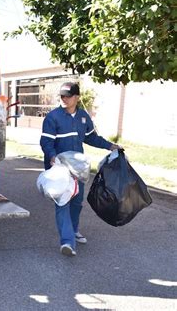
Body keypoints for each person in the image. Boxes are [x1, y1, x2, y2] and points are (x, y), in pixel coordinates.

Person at [40, 82, 121, 257]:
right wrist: (53, 157)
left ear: (77, 98)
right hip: (59, 169)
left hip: (78, 167)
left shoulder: (83, 117)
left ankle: (74, 230)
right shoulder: (53, 117)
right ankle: (67, 242)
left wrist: (110, 146)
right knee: (63, 202)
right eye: (61, 96)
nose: (64, 99)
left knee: (77, 202)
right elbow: (46, 142)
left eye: (67, 96)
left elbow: (91, 137)